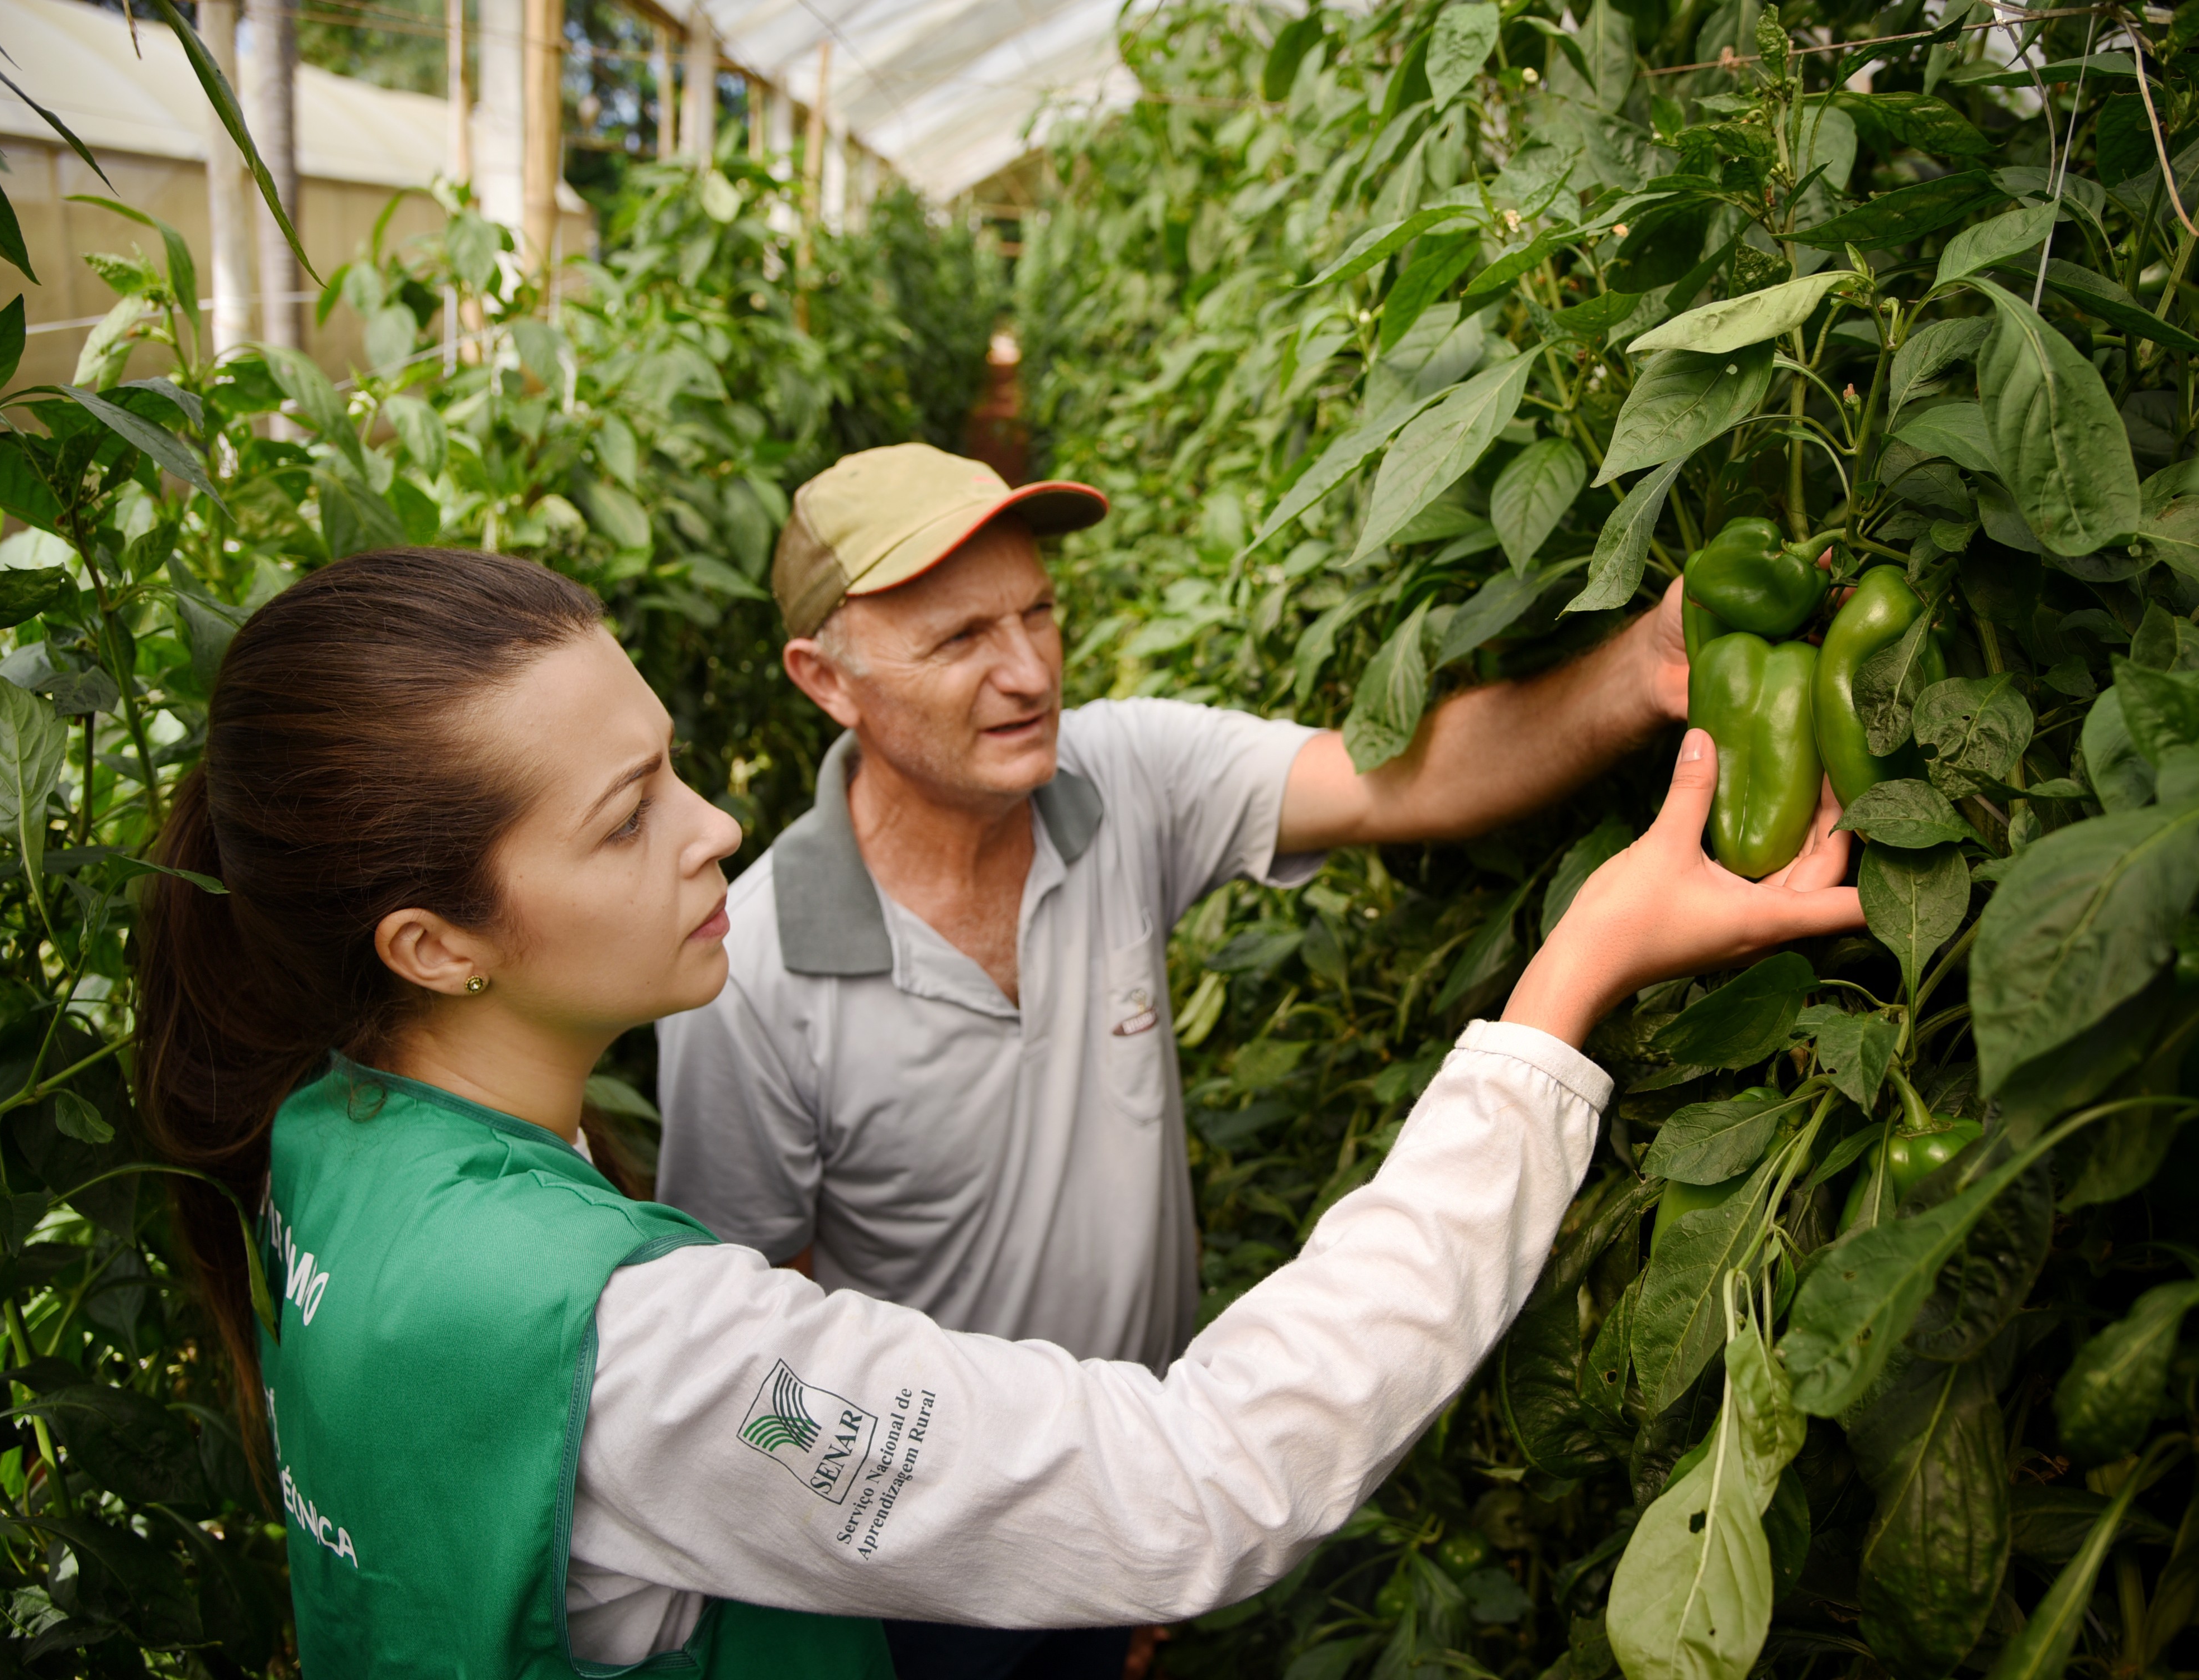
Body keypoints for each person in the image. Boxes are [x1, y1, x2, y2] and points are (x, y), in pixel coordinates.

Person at [135, 547, 1858, 1678]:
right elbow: (1202, 1483)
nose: (717, 823)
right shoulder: (642, 1351)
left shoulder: (334, 1137)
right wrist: (1571, 983)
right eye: (622, 819)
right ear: (428, 943)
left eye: (670, 764)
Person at [655, 441, 1702, 1676]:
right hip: (919, 1569)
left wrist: (1639, 668)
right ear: (826, 679)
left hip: (1150, 1484)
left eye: (1040, 610)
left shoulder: (1122, 778)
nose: (1029, 669)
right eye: (959, 640)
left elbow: (1396, 781)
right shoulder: (758, 969)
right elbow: (756, 1338)